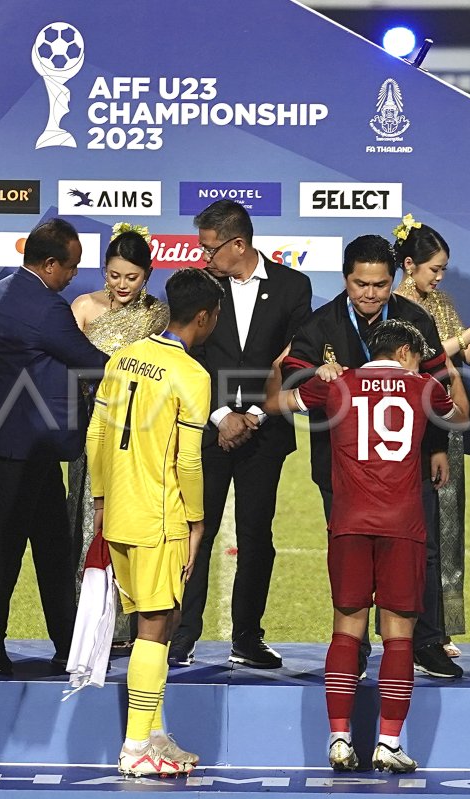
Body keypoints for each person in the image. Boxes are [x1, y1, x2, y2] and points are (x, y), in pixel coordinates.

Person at [266, 319, 466, 774]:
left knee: (346, 629)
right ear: (405, 353)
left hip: (350, 523)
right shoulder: (423, 388)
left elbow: (276, 404)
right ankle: (388, 743)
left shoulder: (338, 384)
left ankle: (339, 738)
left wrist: (280, 368)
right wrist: (449, 372)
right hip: (402, 526)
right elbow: (461, 414)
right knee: (399, 635)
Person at [282, 234, 468, 680]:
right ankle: (356, 651)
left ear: (393, 279)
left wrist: (437, 447)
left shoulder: (414, 319)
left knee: (423, 552)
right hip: (341, 468)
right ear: (345, 278)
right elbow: (291, 377)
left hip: (409, 463)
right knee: (350, 559)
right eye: (360, 284)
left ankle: (426, 642)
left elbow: (437, 385)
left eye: (380, 285)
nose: (369, 294)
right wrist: (315, 372)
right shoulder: (321, 322)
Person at [88, 268, 223, 777]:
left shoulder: (123, 357)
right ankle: (135, 748)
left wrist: (100, 500)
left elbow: (96, 434)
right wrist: (197, 521)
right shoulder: (192, 375)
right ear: (204, 317)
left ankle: (155, 734)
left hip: (120, 510)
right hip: (159, 515)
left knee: (159, 623)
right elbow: (188, 460)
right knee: (155, 624)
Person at [171, 199, 312, 670]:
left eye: (210, 248)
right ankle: (181, 635)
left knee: (256, 535)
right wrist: (219, 416)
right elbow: (187, 356)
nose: (203, 256)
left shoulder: (293, 286)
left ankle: (247, 638)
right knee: (197, 531)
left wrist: (252, 414)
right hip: (206, 431)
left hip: (263, 434)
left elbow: (293, 358)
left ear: (238, 244)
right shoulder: (201, 286)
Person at [0, 218, 109, 674]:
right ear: (50, 264)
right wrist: (142, 364)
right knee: (9, 554)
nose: (74, 275)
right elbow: (91, 361)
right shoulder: (46, 307)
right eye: (70, 266)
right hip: (24, 450)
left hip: (20, 447)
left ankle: (66, 643)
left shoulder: (0, 289)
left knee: (51, 550)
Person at [393, 216, 470, 656]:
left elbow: (464, 351)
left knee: (447, 523)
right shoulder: (396, 305)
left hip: (448, 419)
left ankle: (439, 626)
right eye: (434, 269)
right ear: (409, 265)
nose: (440, 277)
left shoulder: (441, 301)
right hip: (412, 423)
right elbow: (423, 355)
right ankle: (414, 626)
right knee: (418, 527)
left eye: (443, 269)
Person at [68, 225, 170, 645]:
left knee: (130, 522)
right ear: (103, 271)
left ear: (148, 274)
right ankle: (85, 621)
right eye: (114, 275)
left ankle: (127, 624)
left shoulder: (158, 315)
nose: (122, 285)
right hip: (89, 429)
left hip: (138, 435)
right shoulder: (83, 307)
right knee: (86, 520)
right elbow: (67, 365)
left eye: (132, 277)